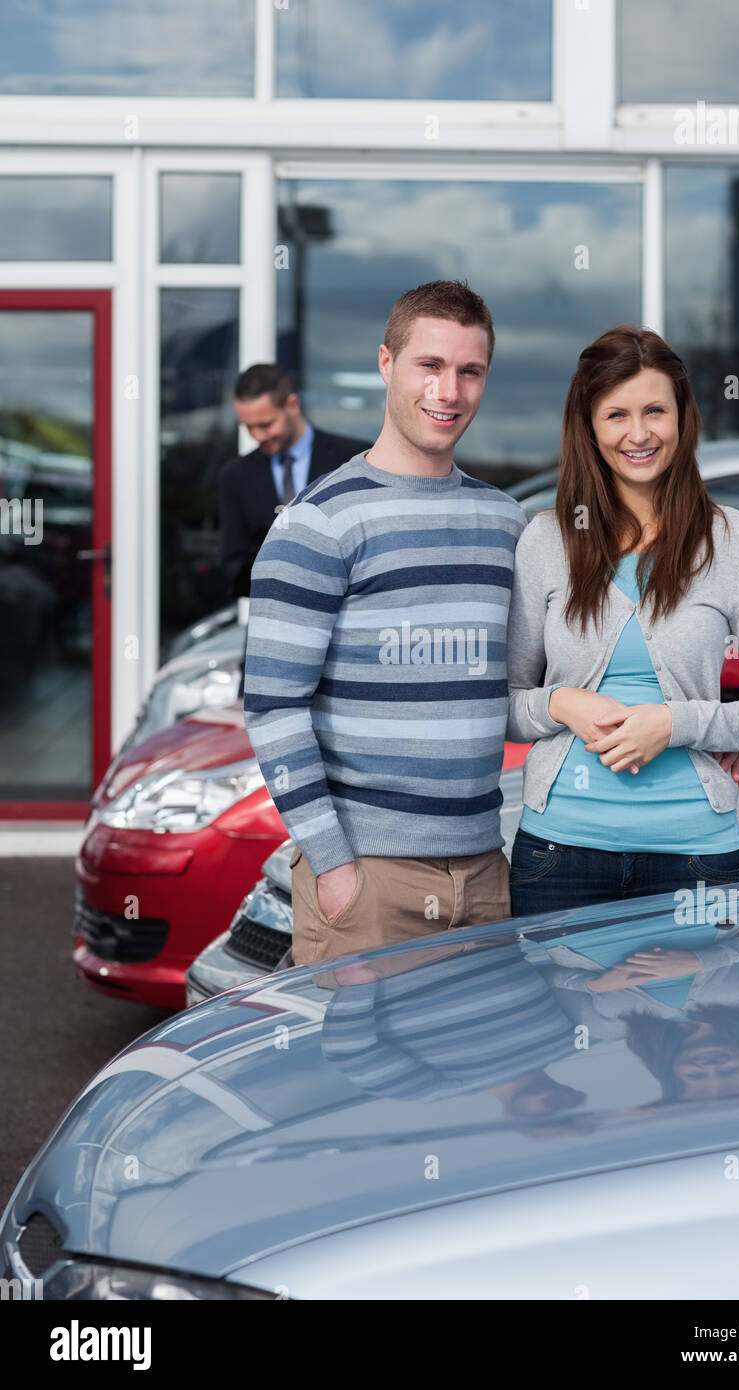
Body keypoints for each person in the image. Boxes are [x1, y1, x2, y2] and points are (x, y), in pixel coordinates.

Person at [243, 280, 527, 967]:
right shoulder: (319, 522)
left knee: (479, 1072)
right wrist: (335, 869)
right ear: (385, 363)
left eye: (469, 371)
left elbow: (520, 694)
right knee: (359, 1079)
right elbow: (273, 706)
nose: (449, 392)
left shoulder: (504, 522)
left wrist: (692, 726)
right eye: (430, 365)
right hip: (369, 880)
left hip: (486, 871)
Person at [507, 325, 739, 917]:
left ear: (682, 418)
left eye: (655, 411)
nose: (638, 434)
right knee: (562, 1012)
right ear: (589, 427)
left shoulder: (732, 539)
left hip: (698, 859)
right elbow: (504, 705)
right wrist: (561, 702)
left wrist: (677, 723)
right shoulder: (545, 539)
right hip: (558, 854)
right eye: (616, 415)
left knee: (698, 1011)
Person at [218, 362, 370, 599]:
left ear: (292, 405)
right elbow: (230, 565)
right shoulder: (235, 476)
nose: (258, 436)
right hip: (269, 621)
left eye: (266, 424)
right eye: (249, 427)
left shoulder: (353, 460)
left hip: (343, 622)